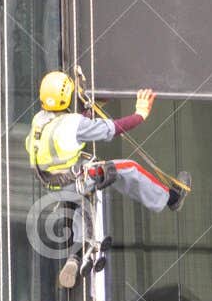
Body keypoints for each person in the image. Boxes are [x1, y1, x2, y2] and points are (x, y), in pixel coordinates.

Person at [26, 70, 190, 214]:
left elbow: (75, 125)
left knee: (90, 171)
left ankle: (79, 226)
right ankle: (171, 198)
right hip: (71, 183)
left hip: (52, 185)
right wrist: (140, 115)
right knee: (128, 168)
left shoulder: (39, 120)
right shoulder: (73, 124)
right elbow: (111, 129)